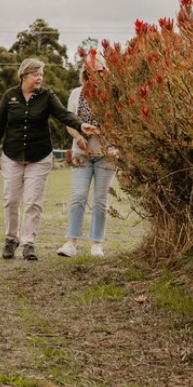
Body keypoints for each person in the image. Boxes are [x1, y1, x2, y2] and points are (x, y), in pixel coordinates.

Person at [0, 58, 98, 261]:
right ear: (24, 75)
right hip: (12, 155)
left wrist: (80, 126)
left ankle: (28, 243)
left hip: (40, 157)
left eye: (41, 74)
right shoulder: (10, 96)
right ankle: (11, 238)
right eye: (36, 74)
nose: (40, 78)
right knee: (10, 200)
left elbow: (63, 114)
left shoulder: (46, 95)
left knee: (33, 201)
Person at [57, 51, 116, 258]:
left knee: (100, 199)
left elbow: (119, 124)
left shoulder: (112, 93)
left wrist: (101, 132)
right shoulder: (76, 93)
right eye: (89, 73)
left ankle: (97, 243)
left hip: (105, 154)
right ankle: (71, 242)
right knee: (78, 196)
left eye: (98, 71)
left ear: (105, 71)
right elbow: (69, 122)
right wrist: (78, 137)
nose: (94, 76)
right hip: (81, 152)